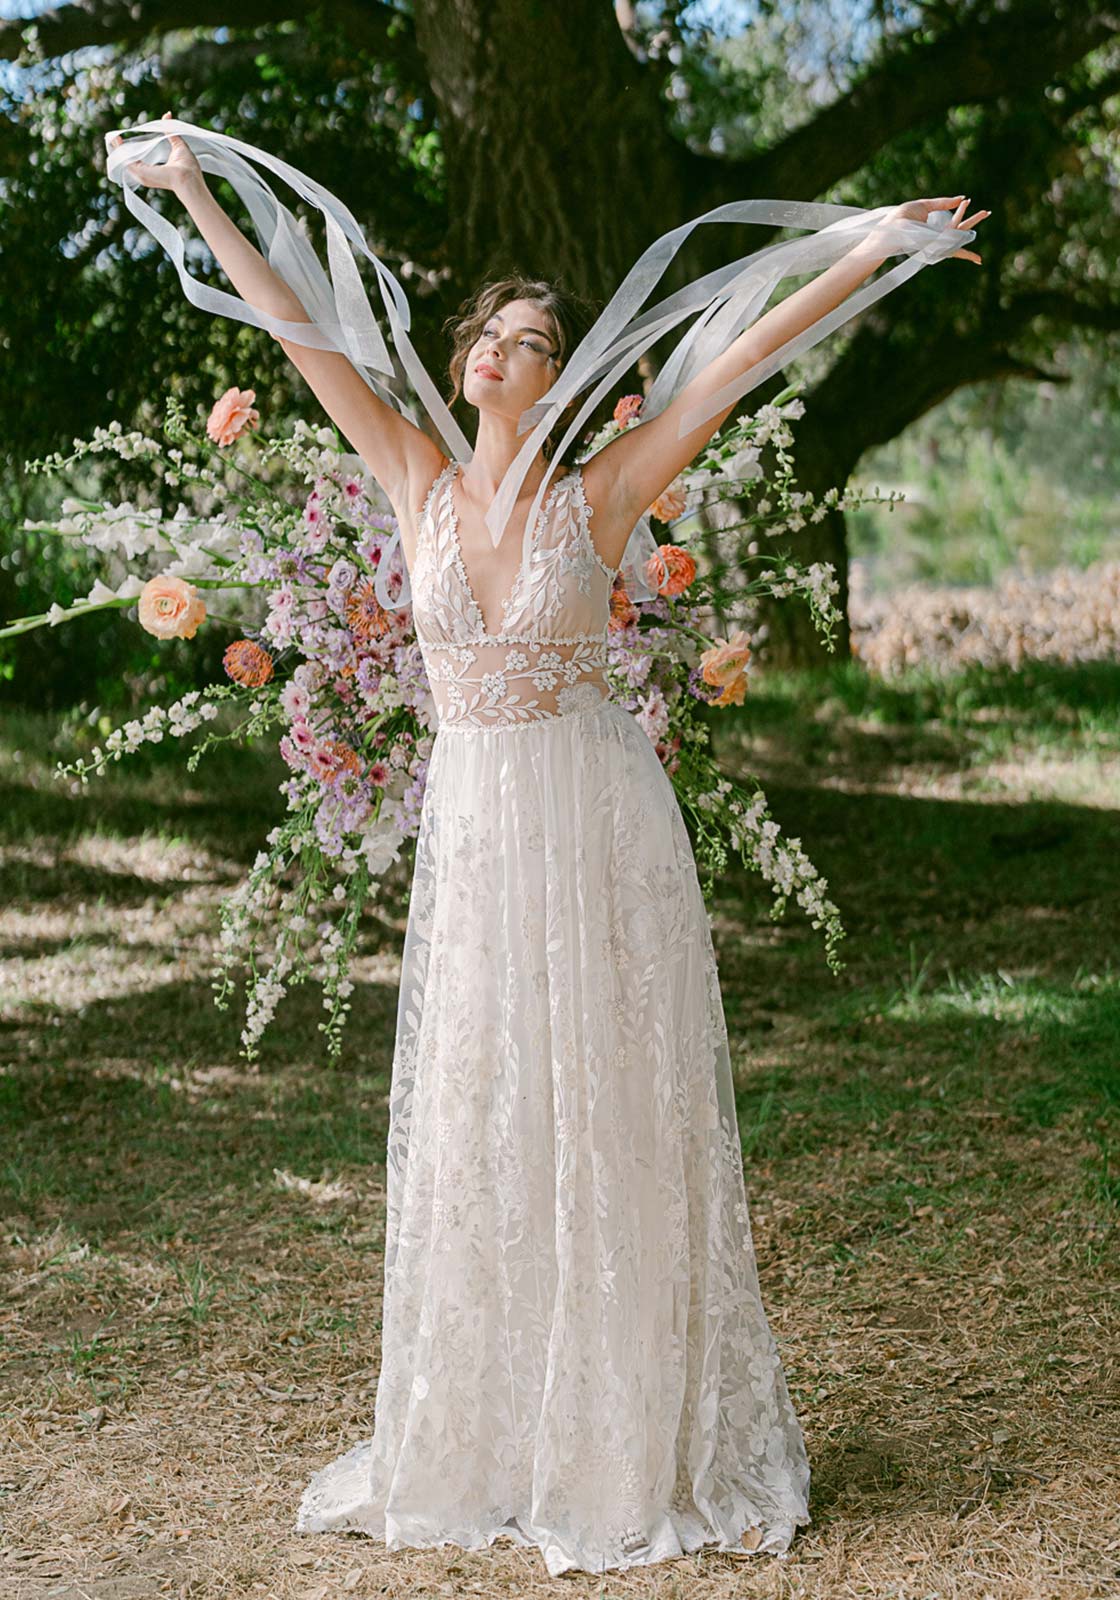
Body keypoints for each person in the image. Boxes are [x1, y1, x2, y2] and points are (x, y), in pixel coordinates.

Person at [107, 113, 986, 1577]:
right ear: (466, 362)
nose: (509, 349)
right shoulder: (412, 479)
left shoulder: (606, 491)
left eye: (534, 336)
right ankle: (496, 1427)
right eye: (495, 334)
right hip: (480, 834)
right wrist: (197, 182)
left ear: (562, 371)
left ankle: (625, 1436)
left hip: (597, 825)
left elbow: (735, 351)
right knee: (485, 1112)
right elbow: (298, 326)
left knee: (609, 1109)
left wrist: (874, 246)